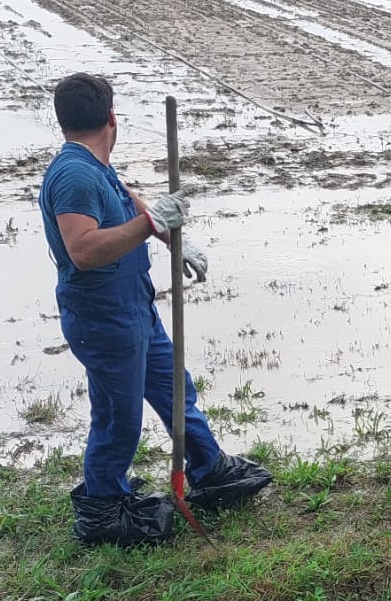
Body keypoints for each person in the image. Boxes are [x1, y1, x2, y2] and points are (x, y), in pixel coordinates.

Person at [38, 73, 271, 546]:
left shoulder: (94, 166)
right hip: (102, 316)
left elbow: (130, 203)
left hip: (133, 307)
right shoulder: (74, 176)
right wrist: (149, 225)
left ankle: (209, 468)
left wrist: (170, 237)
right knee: (118, 418)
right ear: (112, 118)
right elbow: (83, 250)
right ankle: (103, 508)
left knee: (174, 390)